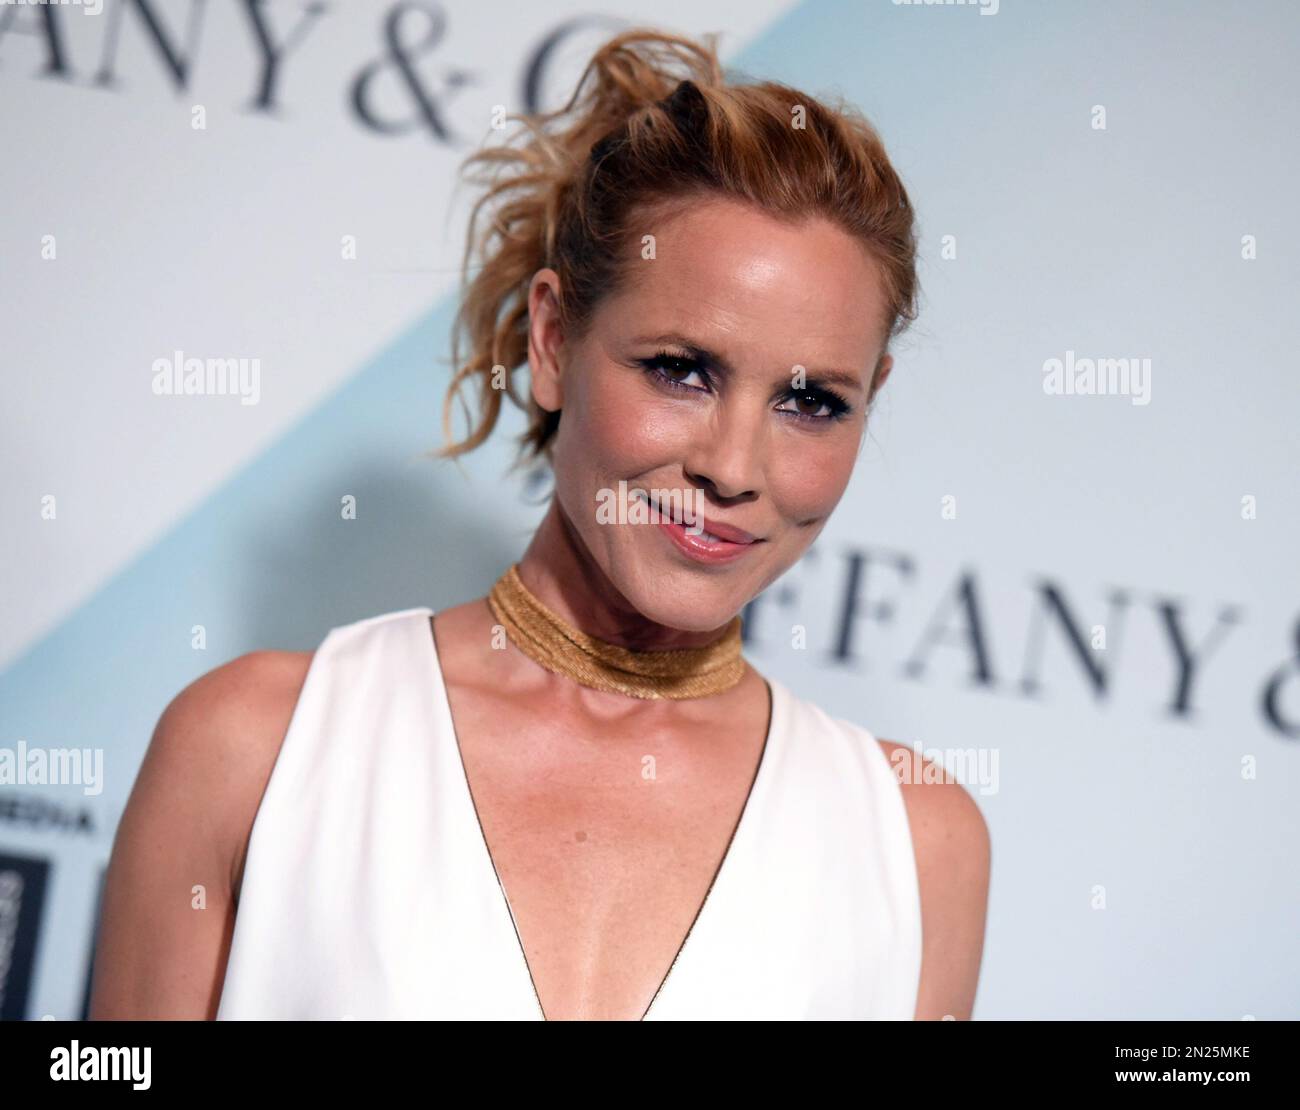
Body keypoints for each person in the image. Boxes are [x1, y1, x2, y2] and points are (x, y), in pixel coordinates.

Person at [89, 27, 989, 1021]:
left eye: (811, 401)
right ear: (553, 340)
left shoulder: (917, 847)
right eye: (680, 370)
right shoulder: (252, 747)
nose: (733, 468)